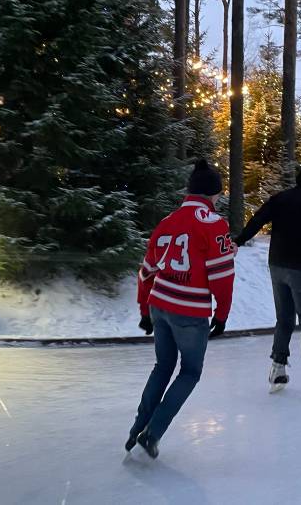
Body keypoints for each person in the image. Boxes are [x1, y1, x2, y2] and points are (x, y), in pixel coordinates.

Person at [128, 159, 235, 459]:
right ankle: (153, 431)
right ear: (213, 194)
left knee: (163, 366)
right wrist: (222, 314)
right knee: (189, 372)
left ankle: (138, 426)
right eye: (218, 195)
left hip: (160, 303)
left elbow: (146, 270)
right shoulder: (214, 224)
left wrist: (144, 309)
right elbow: (222, 275)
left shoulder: (167, 222)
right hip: (190, 312)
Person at [234, 161, 301, 406]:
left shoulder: (280, 198)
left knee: (284, 318)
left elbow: (257, 220)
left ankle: (277, 370)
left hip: (277, 265)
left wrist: (239, 241)